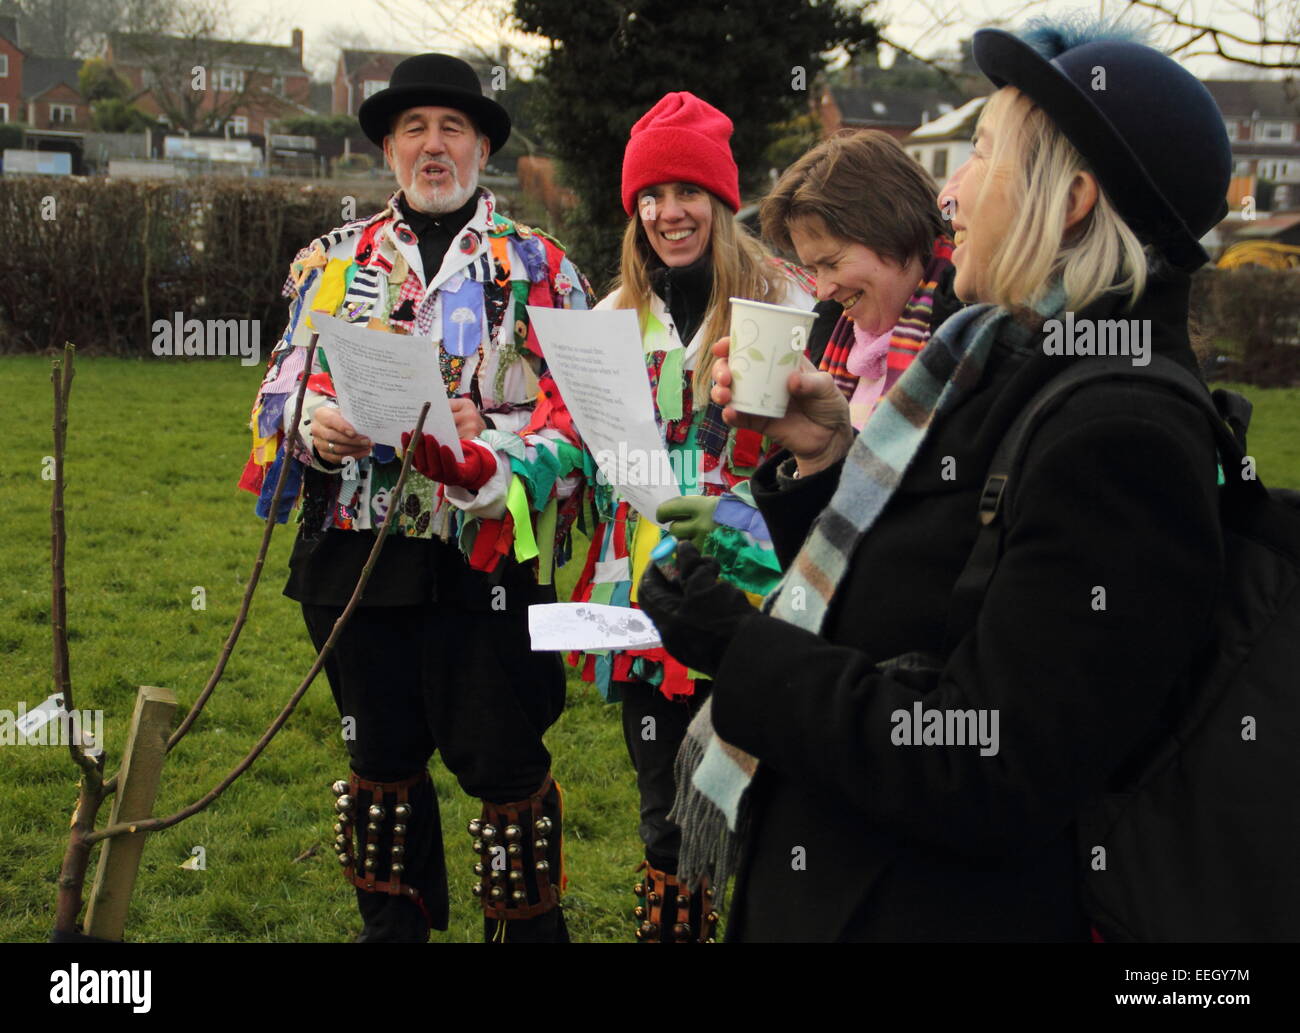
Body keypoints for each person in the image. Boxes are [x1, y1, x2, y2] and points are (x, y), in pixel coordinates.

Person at [638, 19, 1232, 941]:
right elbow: (912, 605)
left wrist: (739, 648)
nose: (950, 195)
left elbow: (981, 761)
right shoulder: (1010, 357)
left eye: (982, 154)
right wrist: (827, 457)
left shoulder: (1123, 434)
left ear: (1069, 200)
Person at [238, 53, 594, 943]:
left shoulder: (542, 266)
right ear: (390, 148)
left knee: (504, 761)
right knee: (378, 759)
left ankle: (529, 933)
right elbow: (275, 393)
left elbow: (589, 428)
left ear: (482, 147)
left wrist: (496, 445)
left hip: (482, 562)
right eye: (414, 130)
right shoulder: (328, 260)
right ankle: (392, 932)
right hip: (356, 555)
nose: (433, 147)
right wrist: (314, 421)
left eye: (452, 129)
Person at [555, 92, 824, 940]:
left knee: (762, 814)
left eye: (687, 192)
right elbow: (580, 444)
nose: (668, 212)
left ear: (721, 200)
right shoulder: (609, 319)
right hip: (643, 602)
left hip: (754, 598)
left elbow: (809, 452)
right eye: (650, 195)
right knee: (664, 816)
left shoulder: (785, 303)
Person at [758, 130, 961, 431]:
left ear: (895, 233)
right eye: (814, 269)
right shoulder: (826, 336)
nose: (823, 291)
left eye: (832, 263)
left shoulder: (969, 339)